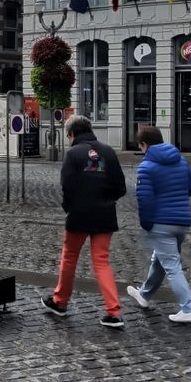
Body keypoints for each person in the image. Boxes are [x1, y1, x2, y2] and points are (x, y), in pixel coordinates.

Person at [42, 115, 127, 328]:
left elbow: (67, 186)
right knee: (101, 261)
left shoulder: (73, 154)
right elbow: (120, 187)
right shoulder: (109, 152)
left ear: (71, 134)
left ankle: (60, 302)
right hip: (105, 214)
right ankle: (114, 311)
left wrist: (69, 207)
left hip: (79, 214)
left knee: (69, 258)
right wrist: (106, 200)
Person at [125, 126, 191, 323]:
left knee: (172, 266)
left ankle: (188, 308)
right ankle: (145, 294)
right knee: (159, 260)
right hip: (181, 221)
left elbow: (145, 199)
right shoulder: (181, 160)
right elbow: (190, 188)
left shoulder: (146, 167)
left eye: (140, 146)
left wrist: (146, 223)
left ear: (144, 145)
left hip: (160, 223)